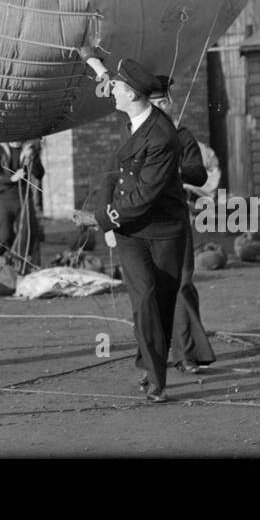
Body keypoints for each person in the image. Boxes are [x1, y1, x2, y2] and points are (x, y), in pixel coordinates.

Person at [73, 52, 185, 403]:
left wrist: (100, 219)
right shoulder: (136, 117)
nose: (112, 93)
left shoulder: (162, 136)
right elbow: (117, 172)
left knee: (163, 303)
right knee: (145, 297)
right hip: (132, 234)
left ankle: (148, 359)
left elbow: (142, 197)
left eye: (118, 88)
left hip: (164, 230)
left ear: (134, 95)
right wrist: (92, 60)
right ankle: (156, 378)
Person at [149, 75, 217, 373]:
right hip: (145, 224)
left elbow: (197, 173)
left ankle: (188, 353)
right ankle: (153, 358)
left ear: (169, 103)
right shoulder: (138, 136)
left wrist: (174, 170)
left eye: (162, 103)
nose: (159, 108)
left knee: (184, 283)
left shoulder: (182, 136)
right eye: (152, 104)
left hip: (176, 220)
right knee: (150, 289)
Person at [0, 138, 45, 270]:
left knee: (28, 231)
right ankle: (5, 265)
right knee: (4, 232)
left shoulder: (29, 149)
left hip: (24, 197)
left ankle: (29, 264)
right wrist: (11, 178)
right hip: (5, 197)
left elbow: (39, 173)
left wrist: (32, 157)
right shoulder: (0, 149)